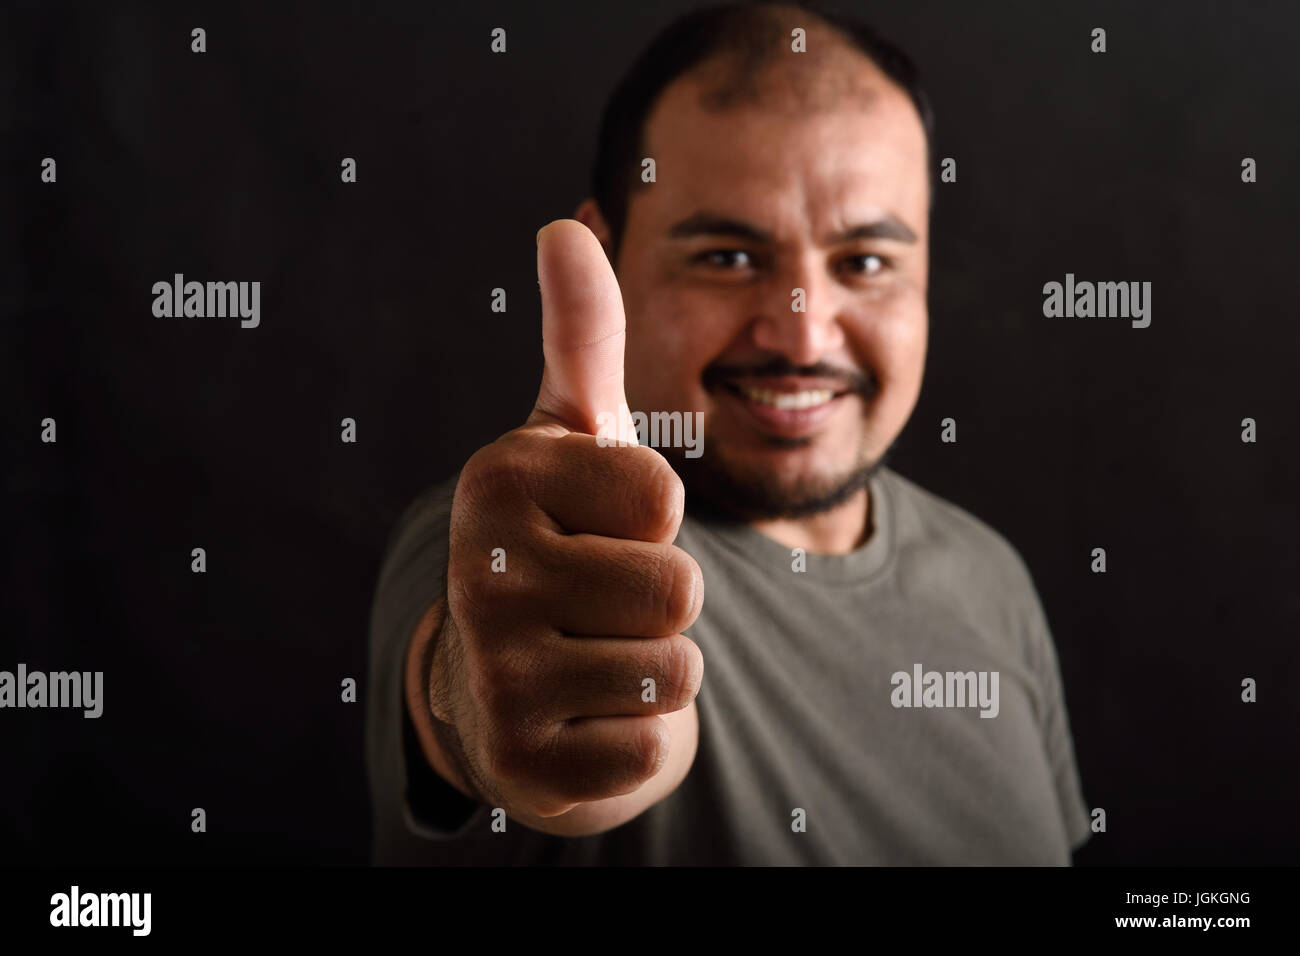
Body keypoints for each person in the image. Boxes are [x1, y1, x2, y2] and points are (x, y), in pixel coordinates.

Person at [366, 0, 1091, 865]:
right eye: (727, 258)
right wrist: (503, 714)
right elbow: (478, 695)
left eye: (865, 262)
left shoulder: (989, 575)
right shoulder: (514, 545)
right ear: (609, 256)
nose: (802, 335)